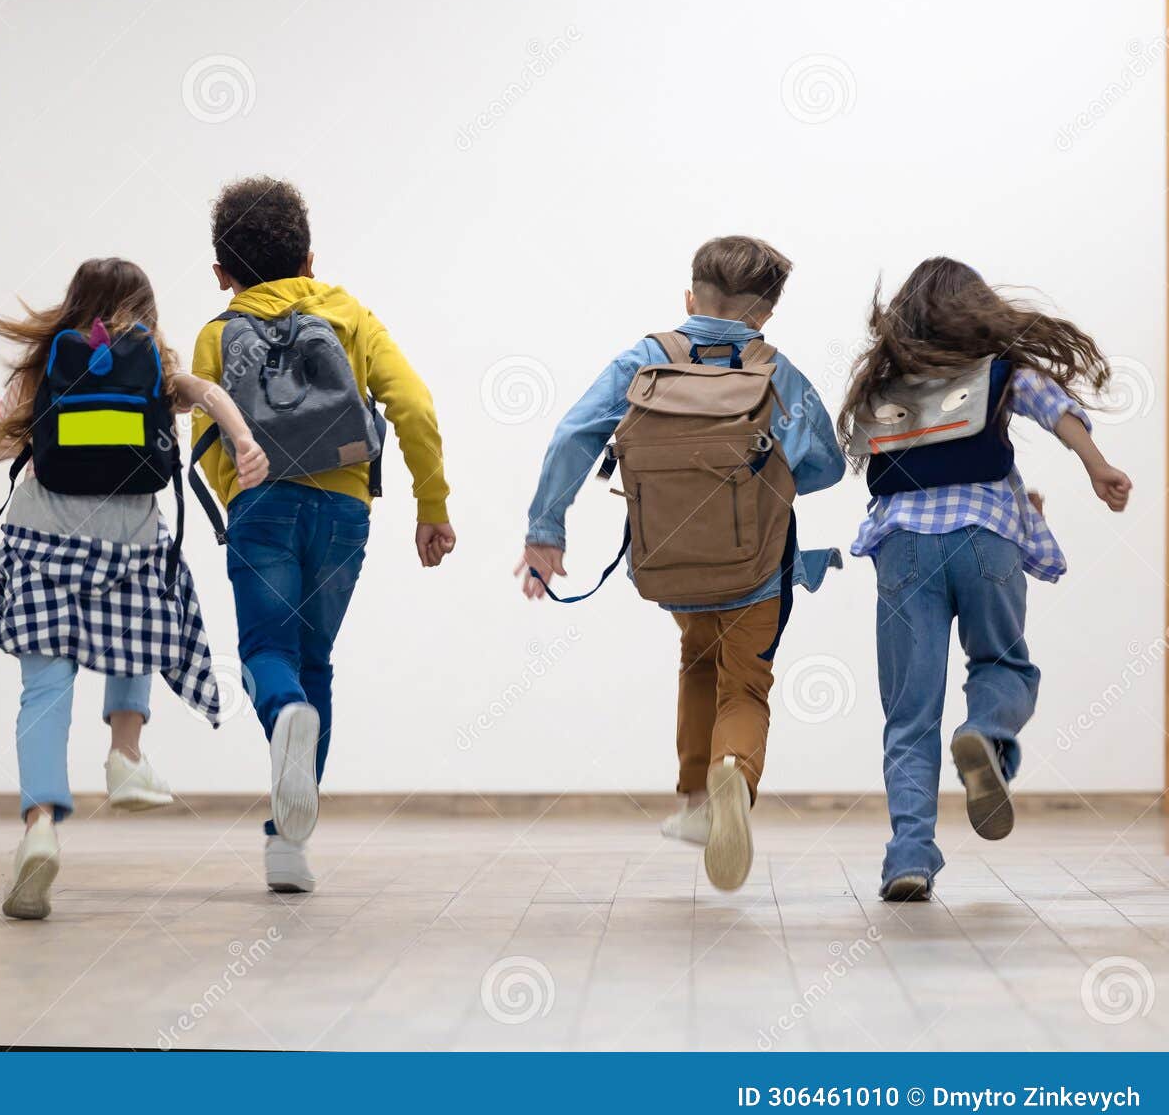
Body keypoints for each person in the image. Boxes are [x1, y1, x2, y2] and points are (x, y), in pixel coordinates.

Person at [517, 236, 843, 890]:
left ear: (690, 298)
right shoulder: (776, 370)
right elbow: (828, 463)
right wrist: (759, 488)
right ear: (766, 314)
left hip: (669, 566)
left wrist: (545, 531)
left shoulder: (644, 359)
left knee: (697, 659)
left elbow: (574, 434)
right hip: (755, 568)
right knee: (744, 685)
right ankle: (733, 772)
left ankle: (696, 800)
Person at [0, 257, 267, 920]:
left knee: (43, 693)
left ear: (76, 301)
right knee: (138, 636)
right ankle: (125, 756)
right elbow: (210, 394)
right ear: (145, 305)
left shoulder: (46, 364)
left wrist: (8, 432)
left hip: (39, 543)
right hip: (128, 543)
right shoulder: (154, 366)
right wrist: (242, 440)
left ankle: (40, 824)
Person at [190, 176, 456, 893]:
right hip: (343, 510)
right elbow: (415, 407)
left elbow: (206, 436)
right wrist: (430, 505)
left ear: (222, 273)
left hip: (262, 505)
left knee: (265, 655)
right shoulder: (350, 316)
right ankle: (289, 846)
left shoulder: (218, 332)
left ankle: (284, 725)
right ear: (309, 259)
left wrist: (242, 498)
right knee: (316, 660)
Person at [838, 257, 1131, 902]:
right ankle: (987, 736)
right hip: (987, 543)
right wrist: (1097, 466)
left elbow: (854, 458)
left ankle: (908, 858)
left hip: (903, 549)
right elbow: (1056, 409)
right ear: (977, 312)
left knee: (909, 713)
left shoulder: (881, 387)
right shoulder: (1003, 373)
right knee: (1003, 664)